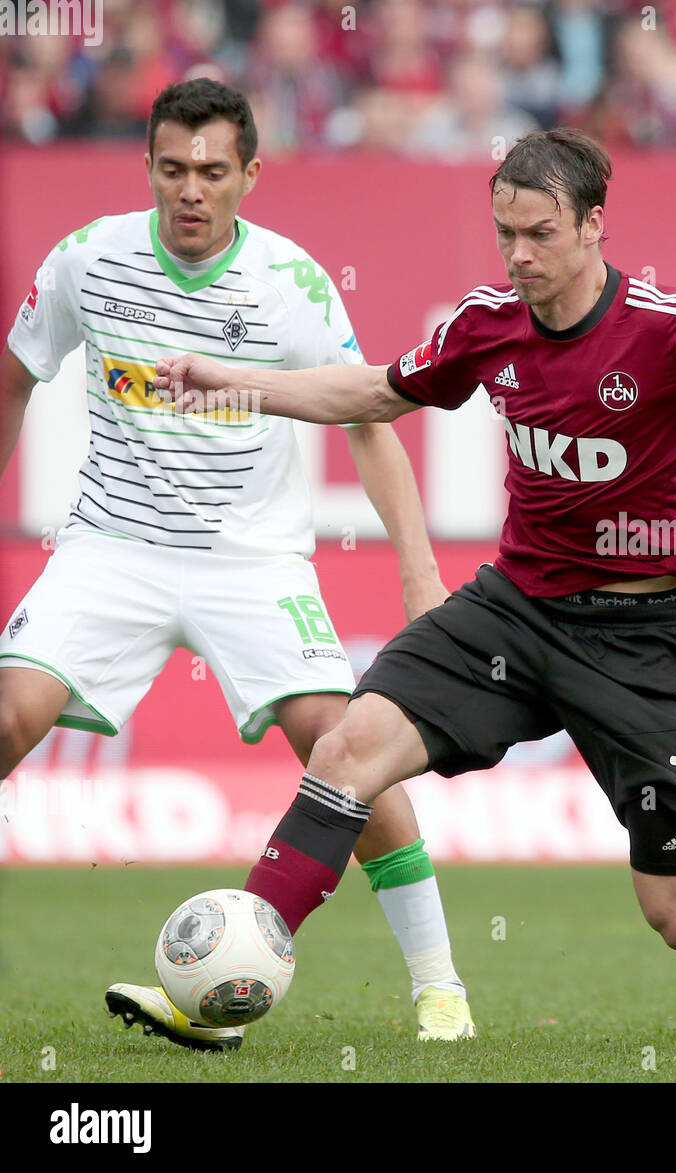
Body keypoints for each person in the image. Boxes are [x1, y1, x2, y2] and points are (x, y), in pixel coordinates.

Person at [153, 127, 676, 1048]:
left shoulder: (670, 328)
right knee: (347, 749)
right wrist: (235, 383)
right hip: (515, 608)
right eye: (506, 233)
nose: (520, 256)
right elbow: (378, 393)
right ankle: (231, 982)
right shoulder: (485, 322)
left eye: (540, 233)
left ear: (594, 226)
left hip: (641, 639)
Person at [0, 78, 474, 1050]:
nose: (190, 190)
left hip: (252, 561)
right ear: (148, 168)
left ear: (249, 176)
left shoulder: (293, 284)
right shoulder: (87, 261)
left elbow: (370, 421)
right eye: (172, 169)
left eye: (213, 172)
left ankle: (440, 987)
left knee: (347, 748)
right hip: (110, 549)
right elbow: (12, 380)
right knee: (7, 715)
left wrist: (418, 571)